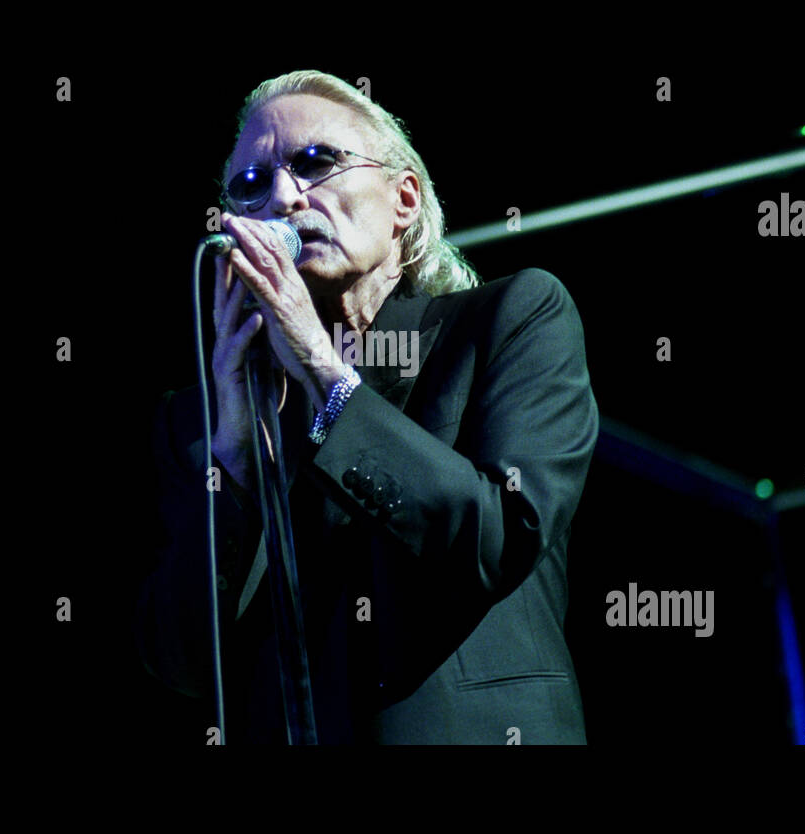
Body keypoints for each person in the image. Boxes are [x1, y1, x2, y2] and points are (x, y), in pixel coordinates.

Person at [138, 70, 599, 744]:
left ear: (403, 198)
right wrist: (233, 455)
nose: (284, 196)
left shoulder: (507, 319)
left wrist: (326, 374)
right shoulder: (197, 421)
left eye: (314, 162)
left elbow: (501, 535)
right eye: (250, 185)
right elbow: (181, 662)